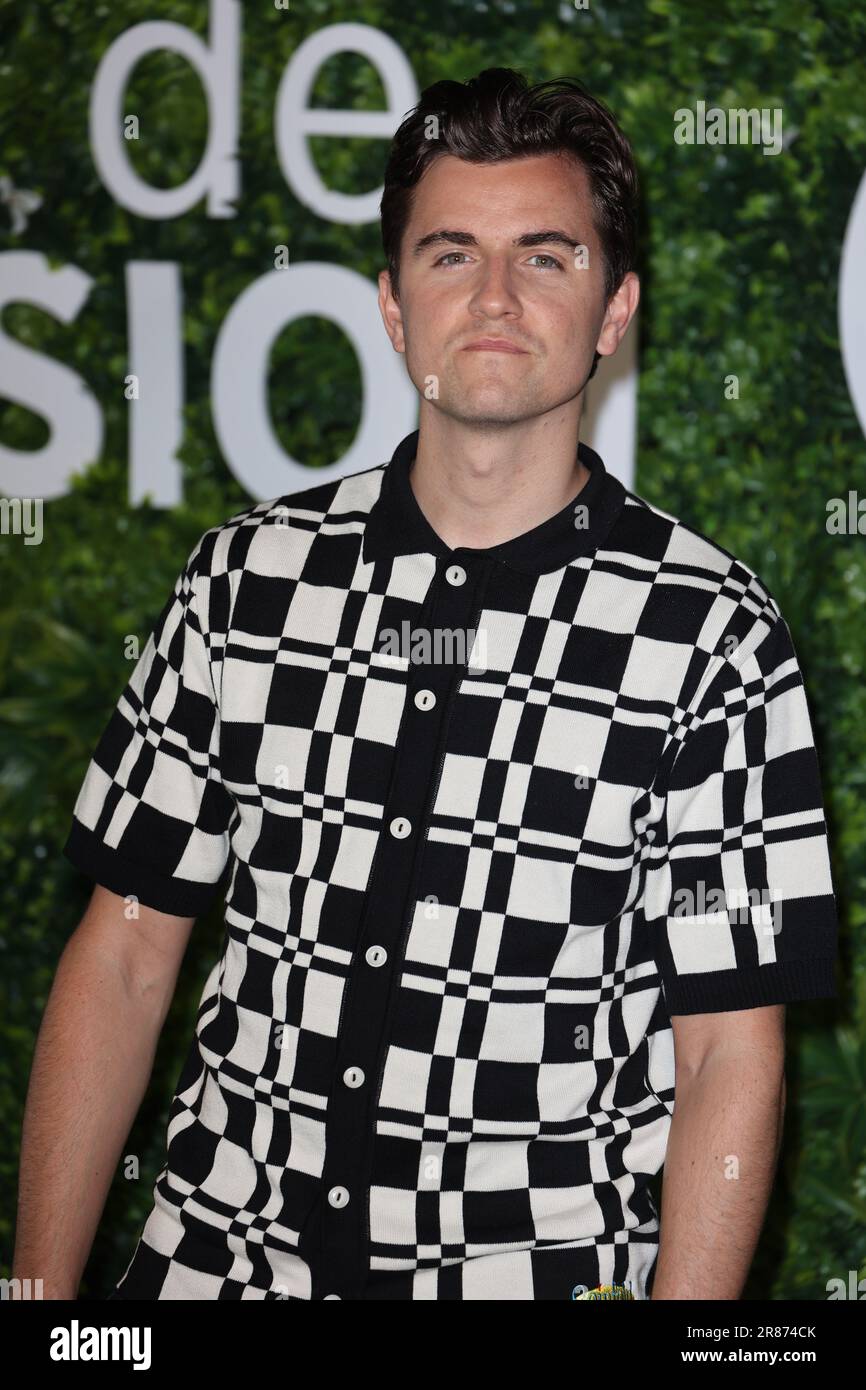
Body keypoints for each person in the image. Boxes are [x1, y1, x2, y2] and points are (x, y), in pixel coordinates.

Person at [14, 68, 838, 1301]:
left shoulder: (710, 635)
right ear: (394, 310)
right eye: (451, 255)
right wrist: (39, 1296)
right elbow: (126, 956)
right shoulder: (247, 581)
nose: (494, 296)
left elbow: (727, 1047)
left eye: (544, 257)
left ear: (614, 311)